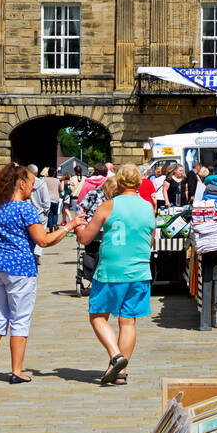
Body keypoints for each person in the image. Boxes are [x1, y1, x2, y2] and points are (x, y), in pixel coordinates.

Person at [0, 163, 76, 384]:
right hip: (19, 267)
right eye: (31, 184)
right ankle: (16, 371)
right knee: (20, 319)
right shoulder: (25, 209)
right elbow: (43, 240)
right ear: (21, 184)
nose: (32, 188)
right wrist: (68, 227)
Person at [74, 163, 155, 386]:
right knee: (128, 321)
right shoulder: (148, 207)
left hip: (111, 270)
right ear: (139, 183)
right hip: (139, 270)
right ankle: (121, 372)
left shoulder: (108, 205)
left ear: (117, 182)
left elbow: (85, 239)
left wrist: (78, 225)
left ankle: (116, 355)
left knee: (98, 316)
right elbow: (150, 239)